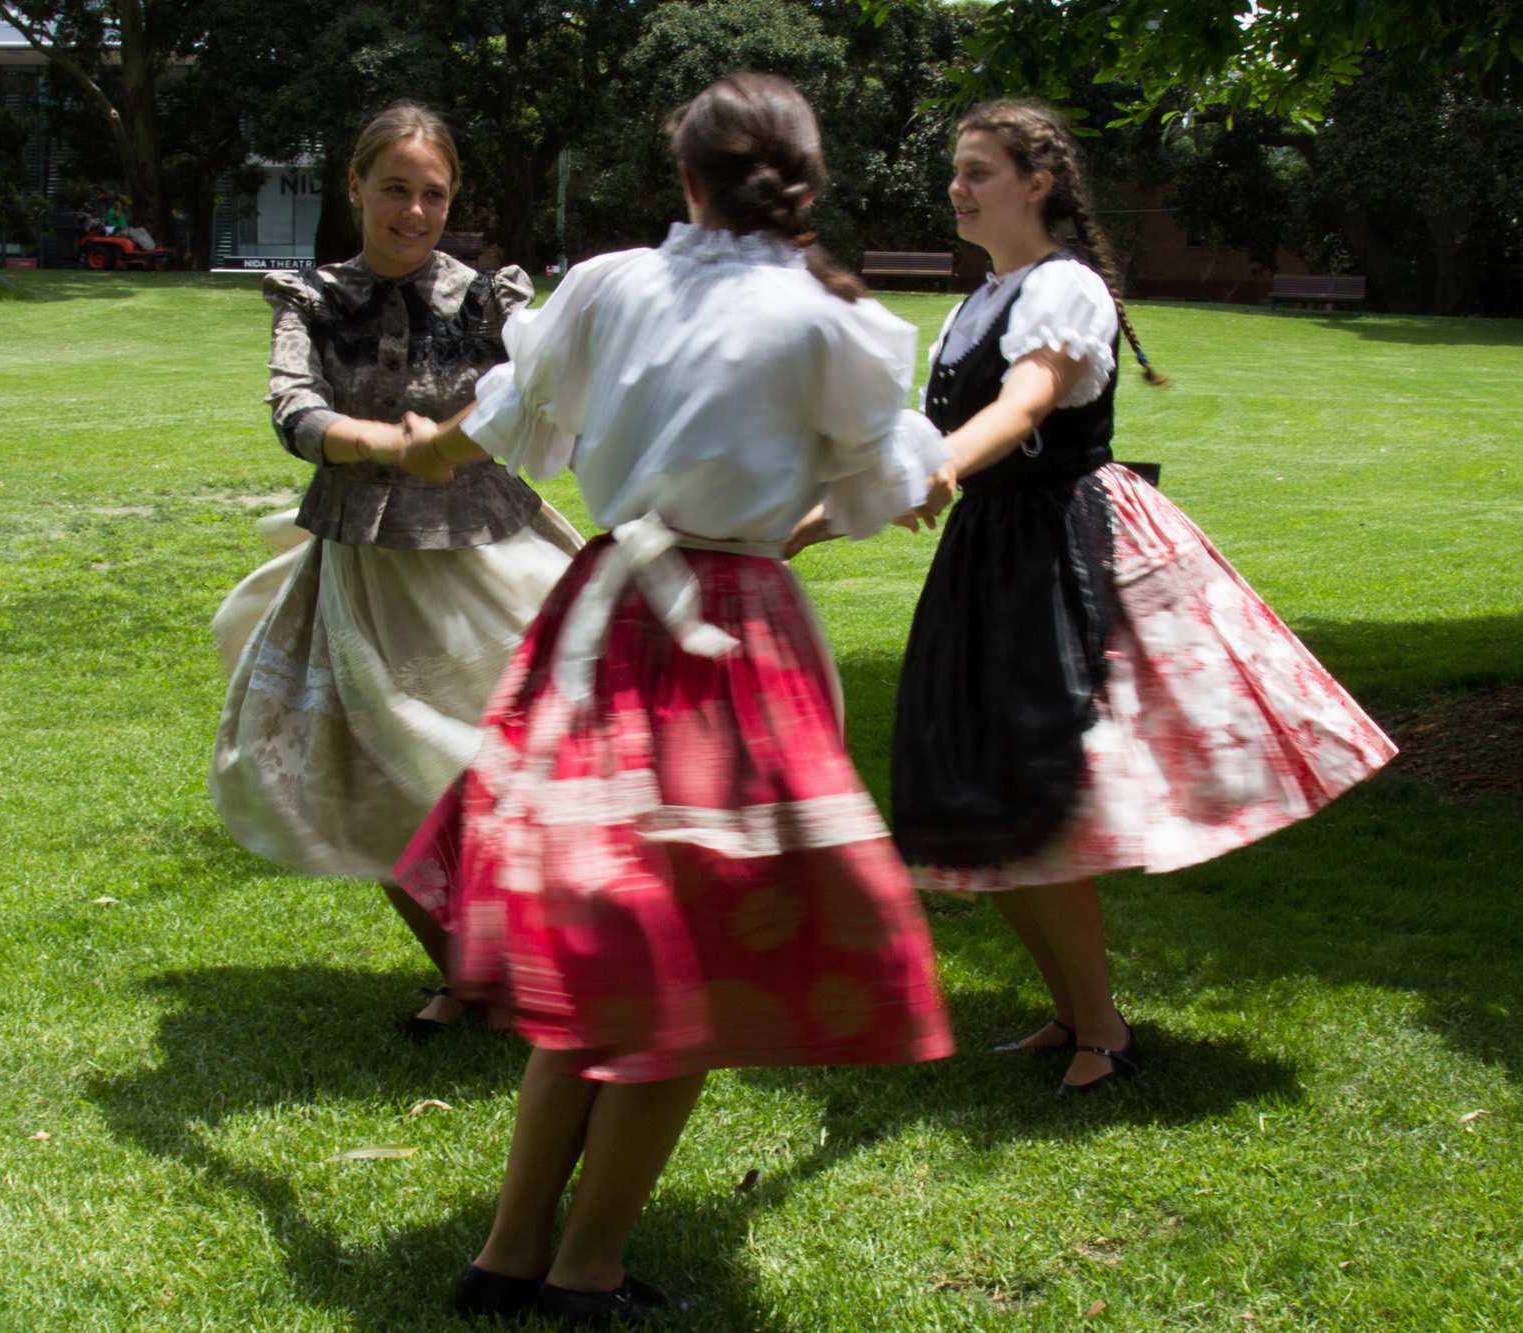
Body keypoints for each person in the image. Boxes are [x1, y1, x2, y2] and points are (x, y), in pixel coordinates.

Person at [390, 73, 955, 1323]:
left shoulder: (603, 283)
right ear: (802, 183)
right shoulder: (830, 318)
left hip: (600, 617)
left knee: (608, 945)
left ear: (685, 177)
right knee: (686, 957)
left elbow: (501, 422)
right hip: (725, 643)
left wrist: (389, 450)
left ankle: (508, 1252)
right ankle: (584, 1269)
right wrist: (858, 493)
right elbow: (890, 484)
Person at [885, 99, 1397, 1097]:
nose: (958, 187)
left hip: (1063, 548)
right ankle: (1072, 1011)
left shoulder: (1062, 287)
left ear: (1036, 184)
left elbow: (1027, 402)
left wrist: (943, 467)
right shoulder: (965, 307)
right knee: (982, 783)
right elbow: (933, 430)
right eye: (954, 171)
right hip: (989, 551)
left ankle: (1102, 1027)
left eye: (979, 170)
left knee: (1041, 786)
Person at [209, 101, 580, 1038]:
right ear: (355, 187)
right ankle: (463, 971)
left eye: (433, 194)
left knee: (504, 767)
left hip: (488, 562)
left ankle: (528, 962)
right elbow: (292, 409)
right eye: (395, 191)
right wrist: (388, 443)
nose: (414, 212)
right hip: (364, 571)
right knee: (373, 774)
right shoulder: (313, 300)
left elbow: (554, 373)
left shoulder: (490, 296)